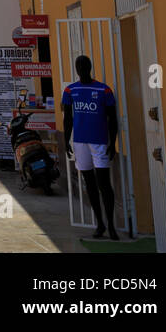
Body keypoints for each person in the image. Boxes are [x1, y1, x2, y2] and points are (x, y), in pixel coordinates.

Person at [62, 54, 121, 240]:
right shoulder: (70, 90)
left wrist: (113, 142)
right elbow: (68, 118)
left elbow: (113, 118)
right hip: (80, 142)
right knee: (90, 184)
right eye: (78, 66)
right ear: (76, 69)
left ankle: (111, 225)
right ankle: (100, 224)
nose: (81, 69)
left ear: (89, 67)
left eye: (84, 65)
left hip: (99, 141)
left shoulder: (104, 90)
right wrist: (66, 140)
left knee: (104, 184)